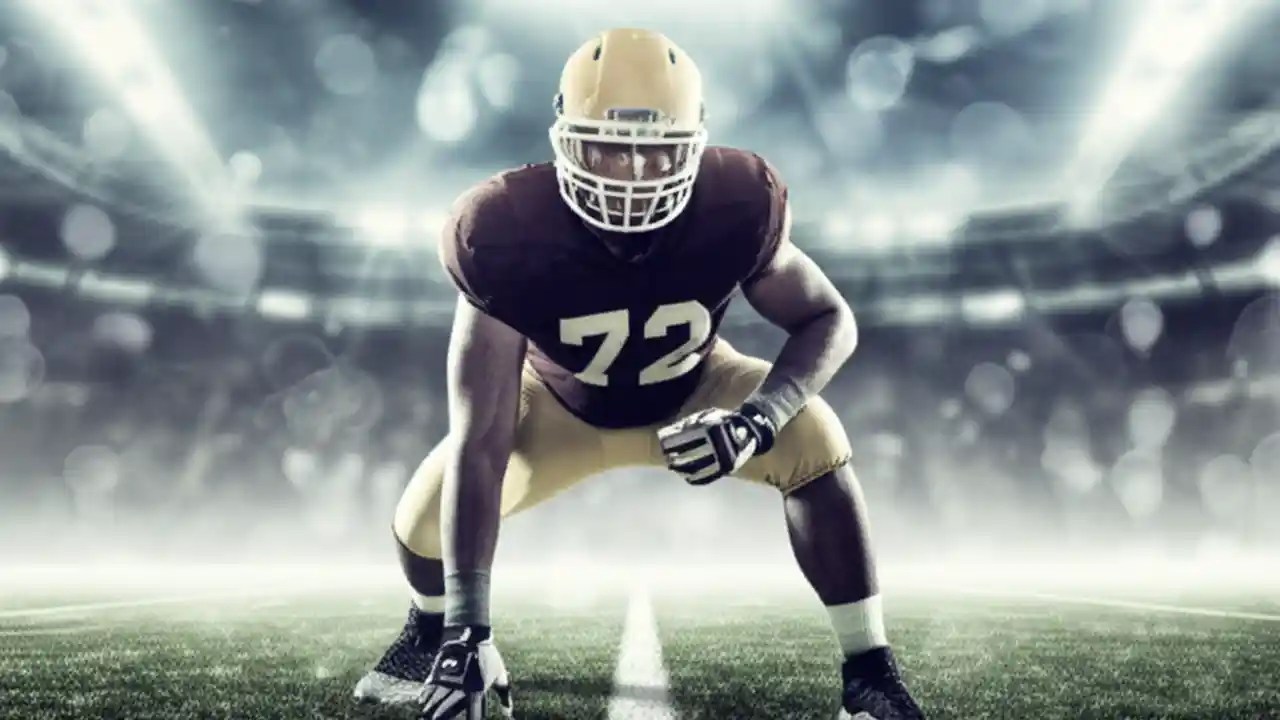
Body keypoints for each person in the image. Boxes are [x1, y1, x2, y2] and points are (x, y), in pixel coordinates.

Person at [354, 27, 925, 720]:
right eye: (607, 149)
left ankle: (870, 673)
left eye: (655, 156)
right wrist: (465, 629)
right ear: (563, 139)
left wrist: (755, 420)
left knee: (814, 439)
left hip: (696, 389)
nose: (629, 175)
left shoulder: (737, 203)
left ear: (694, 147)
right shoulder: (501, 231)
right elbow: (481, 439)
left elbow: (831, 319)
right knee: (420, 525)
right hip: (556, 406)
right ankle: (430, 637)